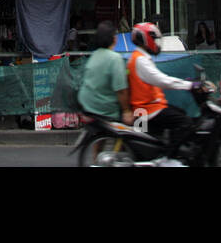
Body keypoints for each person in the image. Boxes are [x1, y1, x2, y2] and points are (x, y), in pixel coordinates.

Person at [128, 22, 205, 158]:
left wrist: (186, 82)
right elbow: (161, 80)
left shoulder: (139, 57)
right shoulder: (140, 60)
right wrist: (189, 85)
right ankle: (168, 158)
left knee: (180, 114)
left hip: (150, 106)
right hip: (149, 109)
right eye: (154, 39)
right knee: (185, 123)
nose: (156, 43)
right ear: (146, 39)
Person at [76, 21, 132, 124]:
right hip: (104, 110)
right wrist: (127, 111)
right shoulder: (115, 58)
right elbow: (121, 90)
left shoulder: (93, 55)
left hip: (86, 105)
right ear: (114, 39)